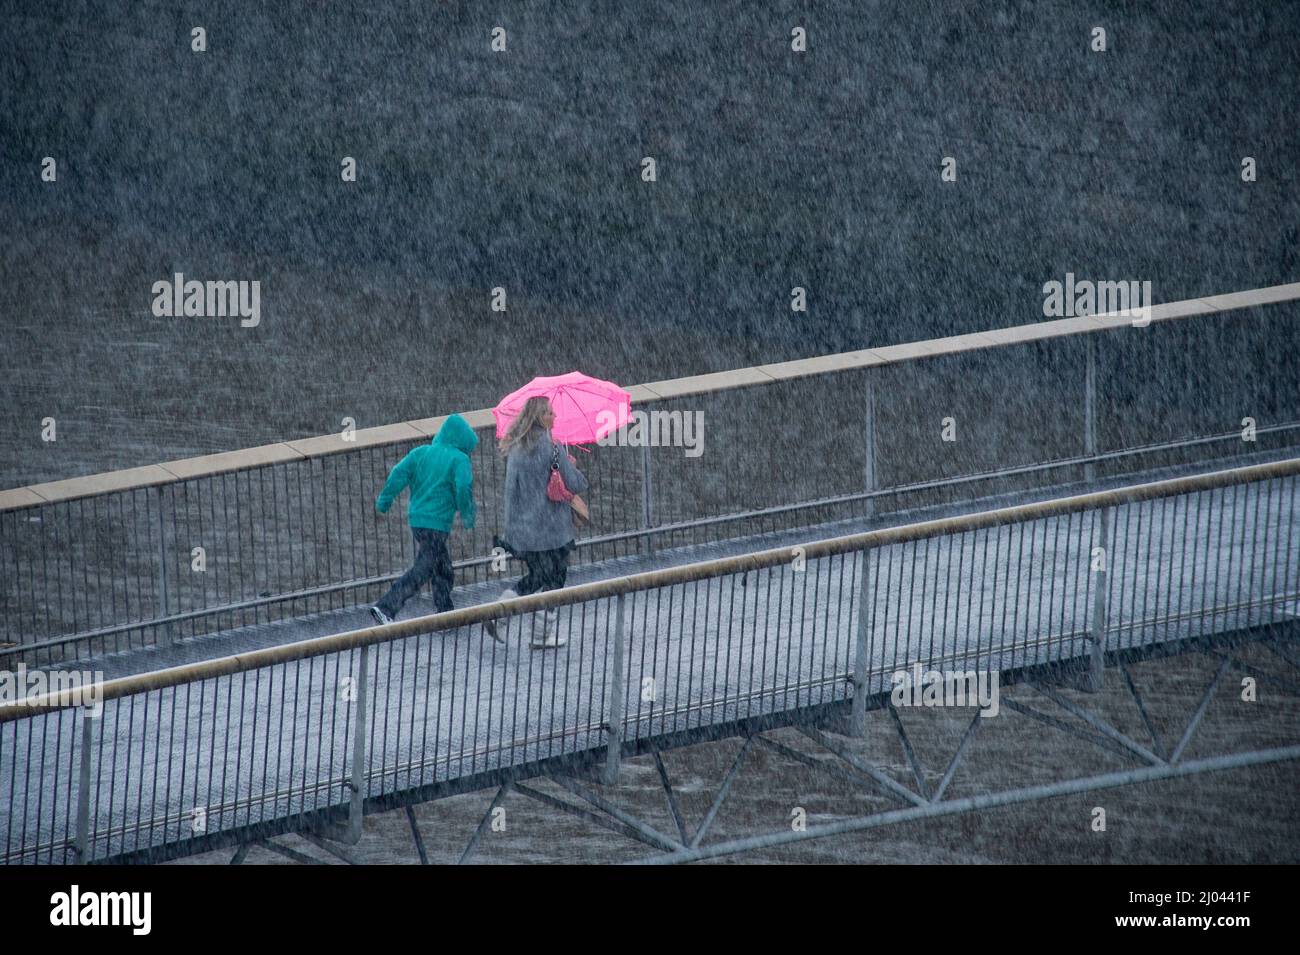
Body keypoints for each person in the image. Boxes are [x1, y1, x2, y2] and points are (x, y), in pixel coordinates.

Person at [486, 396, 588, 648]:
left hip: (525, 530)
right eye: (550, 413)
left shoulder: (516, 450)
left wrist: (510, 532)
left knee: (536, 576)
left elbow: (511, 494)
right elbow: (575, 484)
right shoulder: (553, 448)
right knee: (556, 578)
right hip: (553, 530)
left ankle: (502, 613)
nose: (555, 417)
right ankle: (538, 634)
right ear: (540, 418)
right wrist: (571, 465)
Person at [369, 413, 477, 625]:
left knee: (442, 566)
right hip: (438, 523)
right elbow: (464, 487)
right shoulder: (459, 459)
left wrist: (385, 500)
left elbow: (398, 473)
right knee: (424, 568)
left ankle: (446, 613)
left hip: (417, 520)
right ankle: (387, 606)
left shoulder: (421, 452)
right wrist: (468, 514)